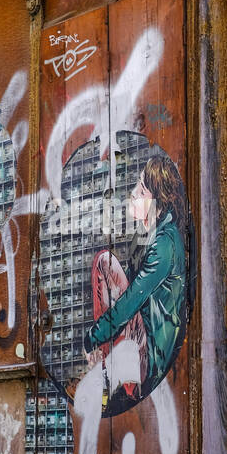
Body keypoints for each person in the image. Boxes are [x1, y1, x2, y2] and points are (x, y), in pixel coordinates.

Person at [84, 154, 188, 408]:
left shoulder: (164, 244)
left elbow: (129, 303)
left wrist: (93, 337)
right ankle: (108, 366)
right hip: (144, 350)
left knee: (104, 262)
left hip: (150, 363)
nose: (132, 193)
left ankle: (110, 369)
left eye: (140, 189)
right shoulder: (148, 238)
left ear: (157, 201)